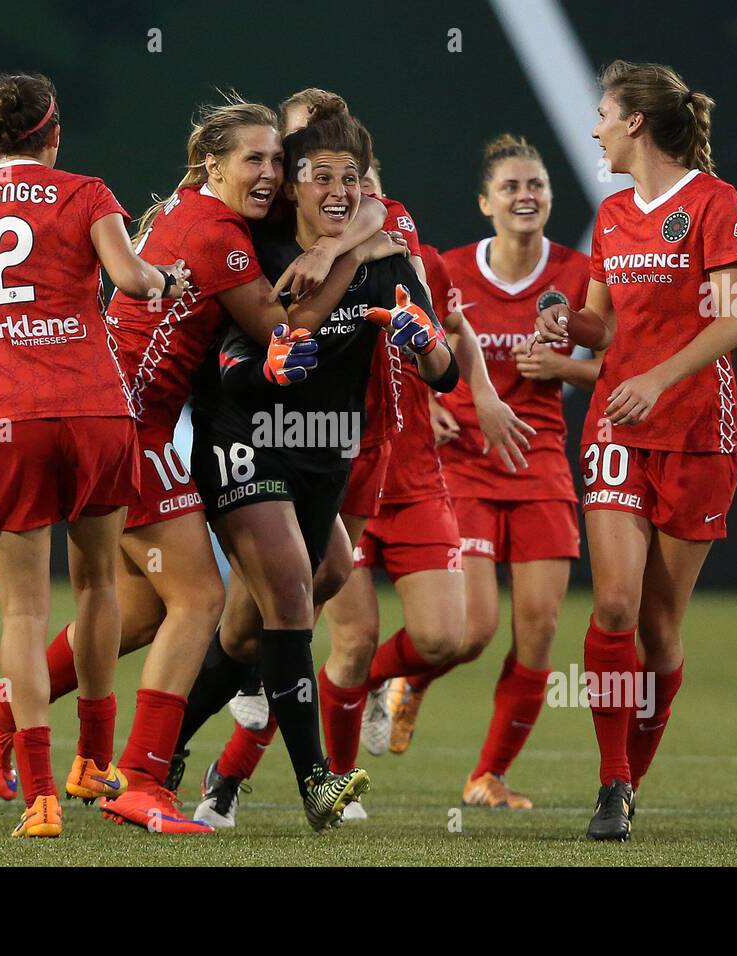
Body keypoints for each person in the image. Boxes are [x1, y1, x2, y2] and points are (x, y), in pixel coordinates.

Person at [0, 98, 397, 833]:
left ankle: (0, 704)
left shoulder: (189, 210)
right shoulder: (217, 229)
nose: (268, 174)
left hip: (121, 410)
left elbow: (377, 205)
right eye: (253, 160)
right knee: (199, 601)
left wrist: (341, 235)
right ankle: (142, 780)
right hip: (130, 423)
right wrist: (345, 252)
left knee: (136, 613)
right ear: (212, 163)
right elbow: (282, 329)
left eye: (274, 162)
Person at [195, 166, 530, 829]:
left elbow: (451, 335)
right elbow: (260, 345)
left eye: (367, 184)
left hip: (408, 470)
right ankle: (237, 780)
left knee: (447, 634)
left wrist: (476, 391)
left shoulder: (412, 257)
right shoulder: (296, 266)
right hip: (326, 463)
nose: (354, 198)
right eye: (336, 184)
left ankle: (369, 691)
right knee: (318, 636)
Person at [0, 72, 188, 838]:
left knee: (24, 609)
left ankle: (40, 798)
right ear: (53, 130)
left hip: (6, 414)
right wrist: (167, 278)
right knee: (100, 583)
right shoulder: (87, 192)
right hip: (95, 405)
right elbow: (130, 278)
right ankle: (94, 761)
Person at [531, 61, 737, 840]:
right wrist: (563, 320)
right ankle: (611, 783)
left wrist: (659, 378)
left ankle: (633, 780)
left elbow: (735, 322)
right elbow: (602, 324)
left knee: (660, 630)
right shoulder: (614, 214)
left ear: (635, 123)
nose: (593, 128)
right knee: (616, 605)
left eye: (602, 114)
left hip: (696, 433)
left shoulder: (714, 205)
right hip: (618, 426)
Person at [385, 135, 598, 811]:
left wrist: (566, 370)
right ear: (485, 202)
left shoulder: (579, 271)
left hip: (539, 463)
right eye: (510, 187)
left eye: (535, 185)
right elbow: (401, 345)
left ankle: (488, 776)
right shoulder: (447, 268)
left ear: (550, 197)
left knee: (538, 628)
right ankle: (381, 676)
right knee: (471, 631)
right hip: (464, 466)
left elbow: (618, 357)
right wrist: (426, 402)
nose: (525, 196)